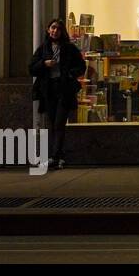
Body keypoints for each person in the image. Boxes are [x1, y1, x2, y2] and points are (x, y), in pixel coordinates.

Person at [29, 19, 86, 170]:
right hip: (49, 90)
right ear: (48, 30)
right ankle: (57, 155)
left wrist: (69, 74)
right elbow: (31, 68)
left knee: (59, 123)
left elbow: (81, 66)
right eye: (53, 28)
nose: (55, 31)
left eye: (58, 29)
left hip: (64, 89)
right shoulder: (43, 48)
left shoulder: (69, 48)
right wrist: (44, 64)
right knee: (52, 123)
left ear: (62, 32)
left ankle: (56, 156)